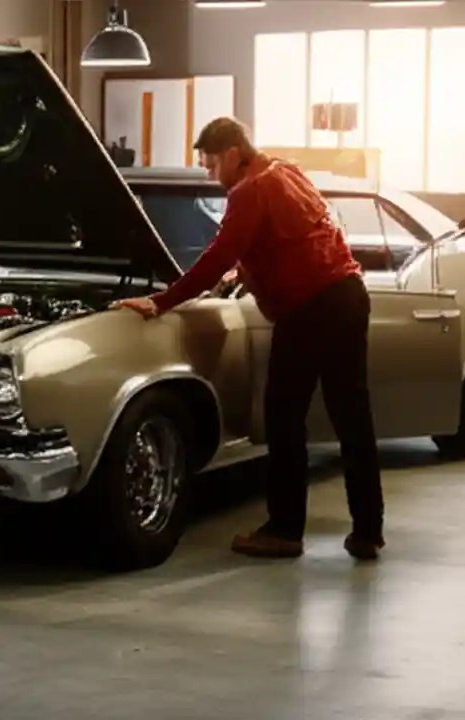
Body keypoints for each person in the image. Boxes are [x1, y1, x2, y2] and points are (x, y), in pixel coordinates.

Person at [112, 117, 386, 561]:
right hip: (348, 297)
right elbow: (293, 238)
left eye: (212, 162)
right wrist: (247, 272)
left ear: (234, 154)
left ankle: (284, 530)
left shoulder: (249, 191)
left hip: (309, 310)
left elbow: (219, 251)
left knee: (283, 416)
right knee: (353, 418)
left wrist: (163, 301)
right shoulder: (285, 171)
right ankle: (368, 531)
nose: (209, 173)